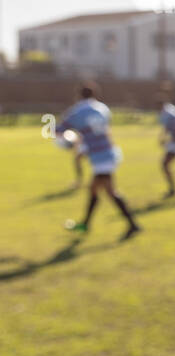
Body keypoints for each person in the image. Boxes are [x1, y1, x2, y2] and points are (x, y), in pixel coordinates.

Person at [56, 81, 142, 239]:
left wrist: (70, 140)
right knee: (94, 189)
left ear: (79, 95)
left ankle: (133, 225)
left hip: (100, 156)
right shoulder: (103, 108)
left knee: (110, 192)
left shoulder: (76, 111)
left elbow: (59, 129)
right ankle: (86, 224)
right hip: (109, 152)